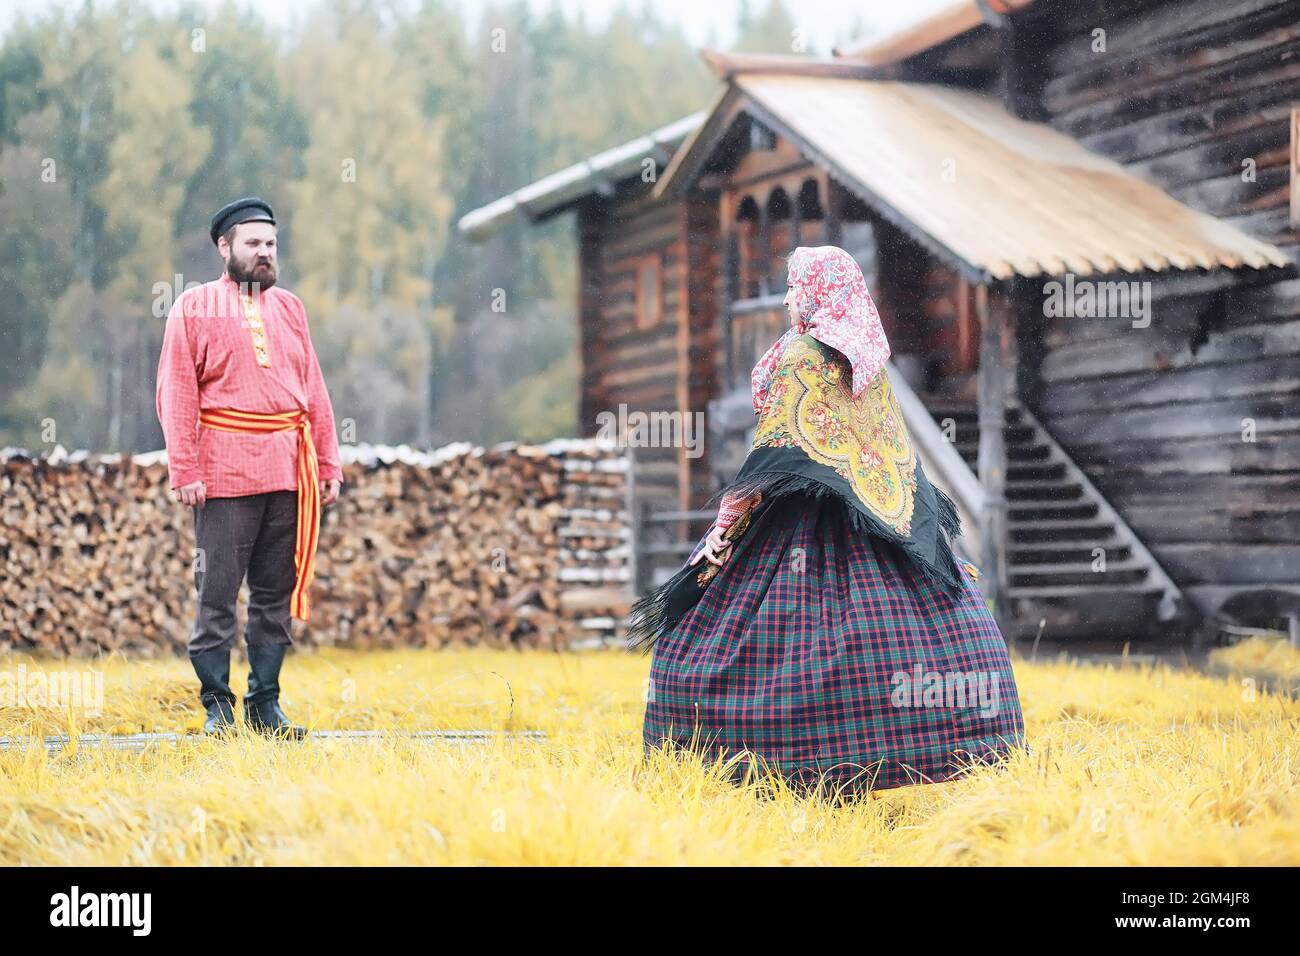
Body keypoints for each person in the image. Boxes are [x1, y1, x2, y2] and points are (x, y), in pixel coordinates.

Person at [631, 245, 1026, 795]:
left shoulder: (802, 355)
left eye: (797, 285)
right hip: (880, 516)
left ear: (819, 292)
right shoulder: (868, 361)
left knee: (754, 643)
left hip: (799, 522)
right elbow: (891, 452)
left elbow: (779, 444)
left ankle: (780, 760)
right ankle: (923, 751)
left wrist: (728, 521)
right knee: (903, 643)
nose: (790, 297)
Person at [155, 197, 343, 738]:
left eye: (271, 245)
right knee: (217, 595)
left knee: (272, 595)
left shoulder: (291, 308)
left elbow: (314, 391)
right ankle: (218, 707)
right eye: (253, 244)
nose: (265, 253)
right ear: (225, 247)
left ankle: (266, 707)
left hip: (289, 471)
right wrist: (184, 467)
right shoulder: (192, 307)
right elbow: (177, 392)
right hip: (224, 474)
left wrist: (328, 459)